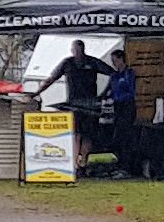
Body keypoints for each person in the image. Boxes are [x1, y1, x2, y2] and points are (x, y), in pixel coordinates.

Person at [27, 38, 114, 167]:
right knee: (75, 133)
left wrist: (104, 93)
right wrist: (37, 92)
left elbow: (113, 73)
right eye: (76, 49)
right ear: (72, 50)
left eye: (80, 49)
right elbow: (51, 79)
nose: (78, 52)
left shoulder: (92, 61)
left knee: (88, 134)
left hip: (91, 104)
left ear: (83, 49)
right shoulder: (67, 63)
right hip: (74, 103)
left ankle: (83, 161)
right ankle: (74, 163)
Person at [105, 46, 140, 175]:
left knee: (125, 136)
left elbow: (131, 92)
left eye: (115, 60)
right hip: (117, 109)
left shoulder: (129, 74)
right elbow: (108, 91)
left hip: (127, 107)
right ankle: (120, 164)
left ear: (121, 60)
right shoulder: (114, 76)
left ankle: (126, 166)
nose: (113, 63)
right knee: (117, 137)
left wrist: (117, 98)